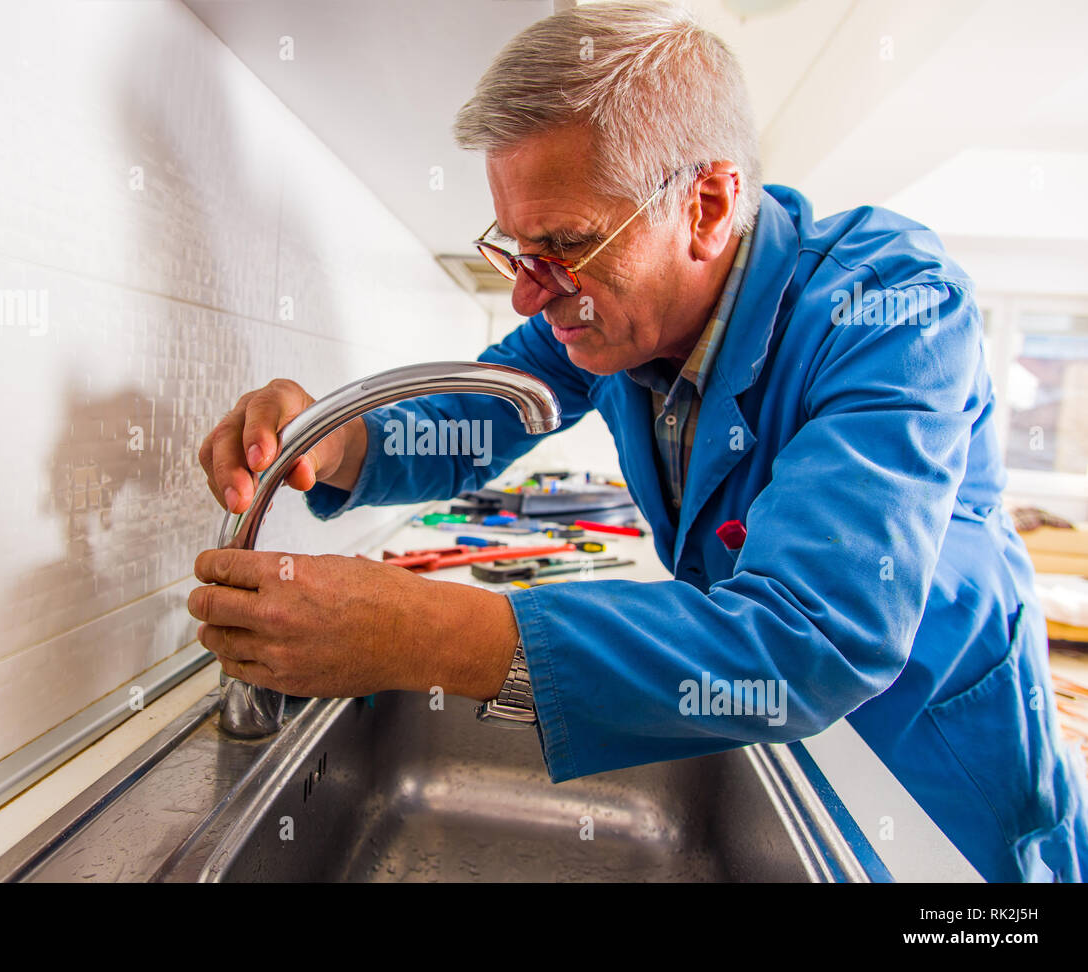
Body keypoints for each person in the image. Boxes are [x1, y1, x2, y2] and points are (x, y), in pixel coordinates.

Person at [190, 1, 1088, 882]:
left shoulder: (893, 309)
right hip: (763, 720)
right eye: (516, 250)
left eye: (565, 246)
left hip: (934, 778)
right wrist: (338, 441)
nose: (529, 297)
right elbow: (484, 413)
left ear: (705, 205)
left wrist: (431, 636)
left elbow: (810, 639)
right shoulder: (612, 314)